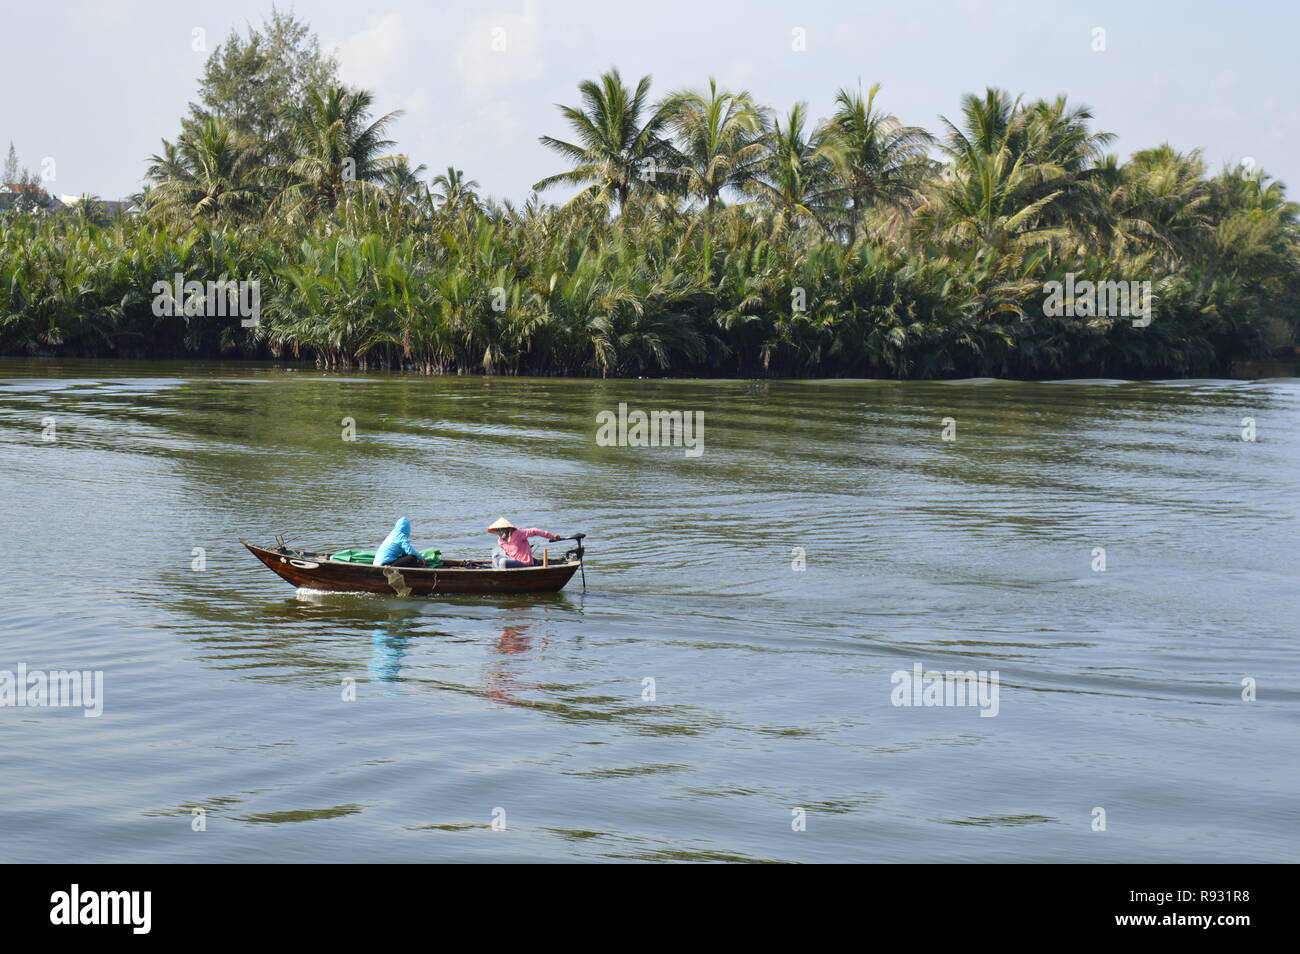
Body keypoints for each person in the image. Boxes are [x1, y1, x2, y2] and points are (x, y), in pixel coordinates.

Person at [486, 516, 562, 568]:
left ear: (507, 529)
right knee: (495, 554)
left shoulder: (517, 533)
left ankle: (501, 576)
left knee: (502, 562)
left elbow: (534, 531)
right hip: (513, 562)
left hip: (525, 564)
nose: (500, 532)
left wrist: (551, 536)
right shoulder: (500, 541)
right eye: (498, 530)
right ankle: (497, 573)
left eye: (501, 530)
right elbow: (508, 553)